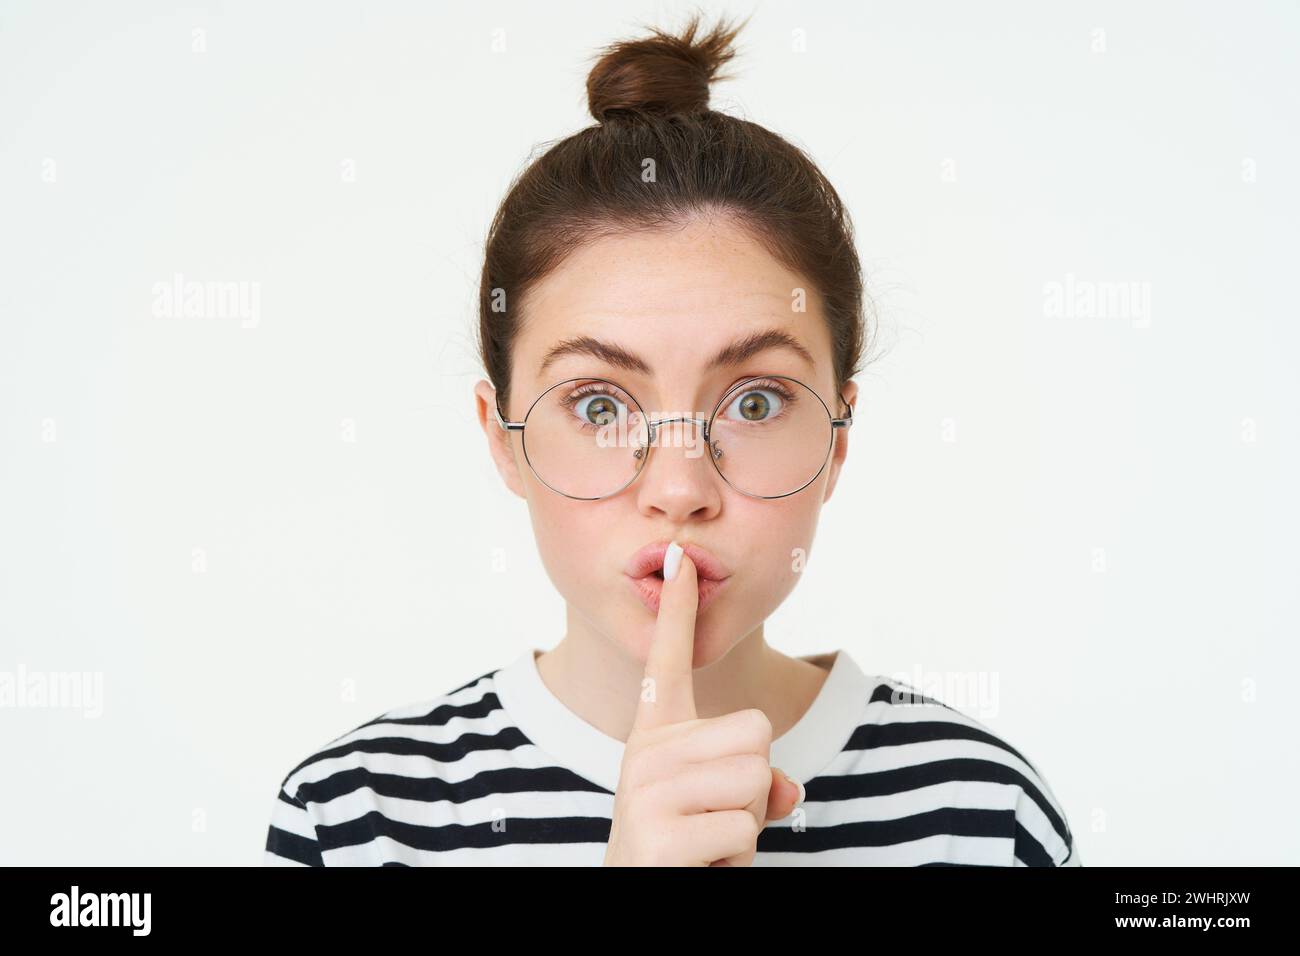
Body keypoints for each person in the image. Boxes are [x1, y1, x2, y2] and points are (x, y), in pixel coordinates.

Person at [263, 13, 1079, 866]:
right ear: (502, 439)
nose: (680, 487)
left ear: (838, 438)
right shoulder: (355, 819)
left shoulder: (982, 813)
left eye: (756, 403)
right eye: (600, 406)